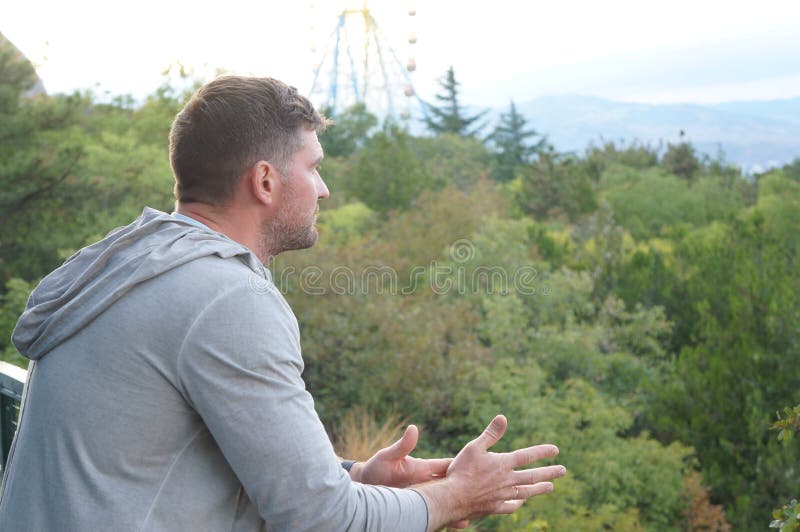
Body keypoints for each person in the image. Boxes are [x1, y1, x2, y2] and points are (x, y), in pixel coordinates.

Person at [0, 76, 565, 531]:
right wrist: (456, 495)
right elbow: (325, 521)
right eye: (314, 167)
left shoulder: (131, 264)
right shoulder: (226, 299)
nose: (324, 190)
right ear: (265, 181)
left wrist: (353, 476)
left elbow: (161, 455)